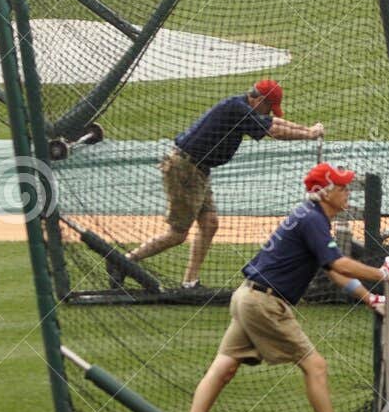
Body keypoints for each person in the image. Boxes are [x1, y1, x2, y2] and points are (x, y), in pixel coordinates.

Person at [167, 163, 389, 412]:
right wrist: (382, 273)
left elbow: (332, 271)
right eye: (342, 188)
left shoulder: (309, 216)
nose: (347, 193)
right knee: (315, 366)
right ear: (324, 192)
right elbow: (341, 264)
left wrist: (370, 298)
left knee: (223, 369)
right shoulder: (312, 220)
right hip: (265, 304)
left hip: (246, 298)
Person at [124, 81, 323, 289]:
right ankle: (125, 261)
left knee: (209, 223)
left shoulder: (243, 106)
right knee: (178, 233)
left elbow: (275, 123)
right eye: (269, 107)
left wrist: (309, 130)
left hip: (197, 170)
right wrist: (309, 134)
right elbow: (275, 131)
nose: (269, 113)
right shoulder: (237, 109)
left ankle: (189, 282)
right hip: (185, 169)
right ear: (259, 100)